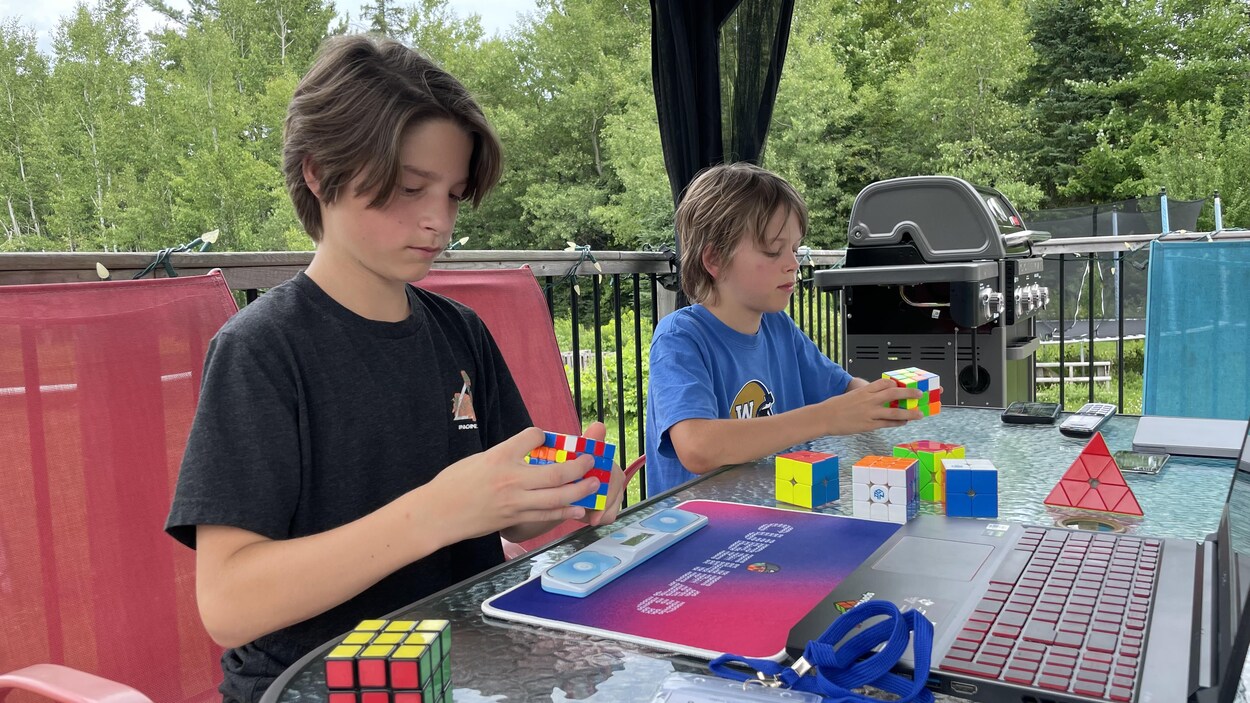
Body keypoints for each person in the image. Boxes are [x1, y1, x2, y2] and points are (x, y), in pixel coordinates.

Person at [165, 35, 625, 703]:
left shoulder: (459, 331)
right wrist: (435, 513)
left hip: (466, 667)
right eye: (410, 188)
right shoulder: (262, 350)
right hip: (313, 683)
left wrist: (574, 485)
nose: (438, 221)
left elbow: (509, 510)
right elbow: (229, 600)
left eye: (454, 194)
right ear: (320, 173)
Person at [644, 163, 923, 497]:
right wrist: (826, 418)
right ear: (715, 260)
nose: (793, 263)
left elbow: (844, 389)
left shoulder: (778, 327)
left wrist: (881, 402)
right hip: (696, 531)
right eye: (774, 250)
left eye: (794, 249)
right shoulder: (680, 338)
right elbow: (698, 446)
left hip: (777, 515)